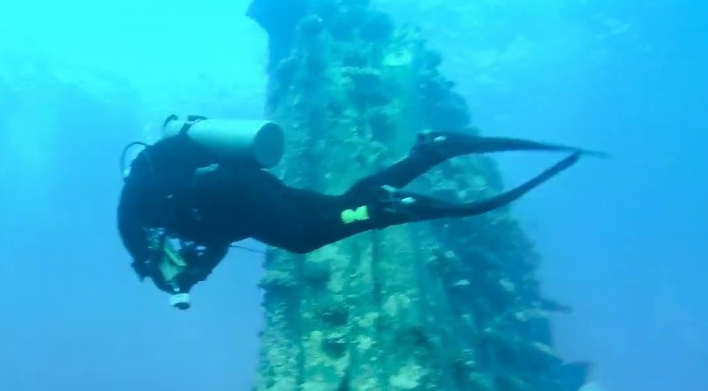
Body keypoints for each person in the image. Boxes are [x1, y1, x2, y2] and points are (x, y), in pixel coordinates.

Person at [118, 115, 600, 309]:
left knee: (308, 236)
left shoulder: (133, 217)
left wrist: (170, 282)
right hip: (246, 185)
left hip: (237, 194)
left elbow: (159, 263)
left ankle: (392, 208)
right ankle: (431, 152)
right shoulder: (165, 193)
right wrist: (197, 271)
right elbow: (216, 237)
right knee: (340, 207)